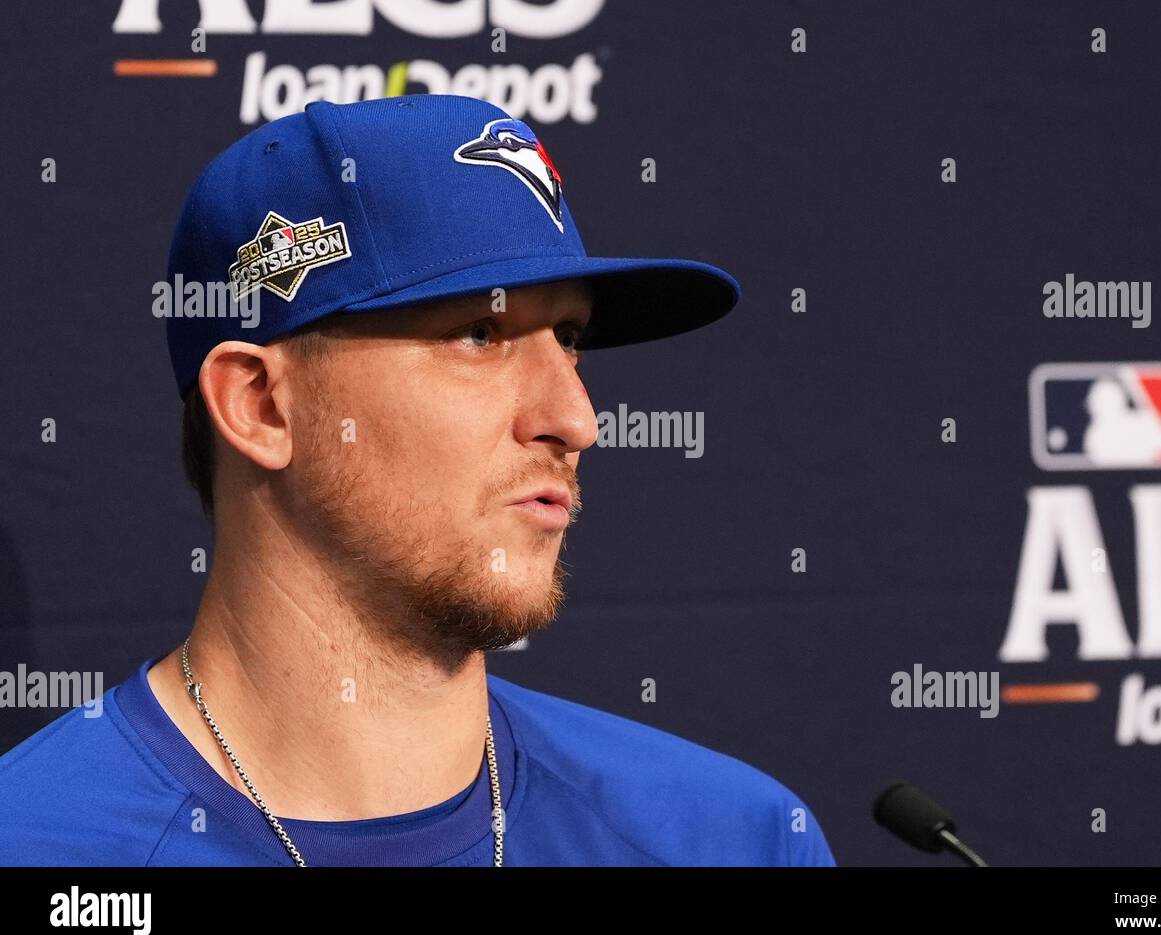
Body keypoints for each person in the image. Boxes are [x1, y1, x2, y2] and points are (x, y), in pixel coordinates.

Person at [0, 94, 835, 866]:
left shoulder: (729, 838)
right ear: (260, 407)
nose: (577, 420)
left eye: (570, 337)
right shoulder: (43, 847)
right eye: (480, 333)